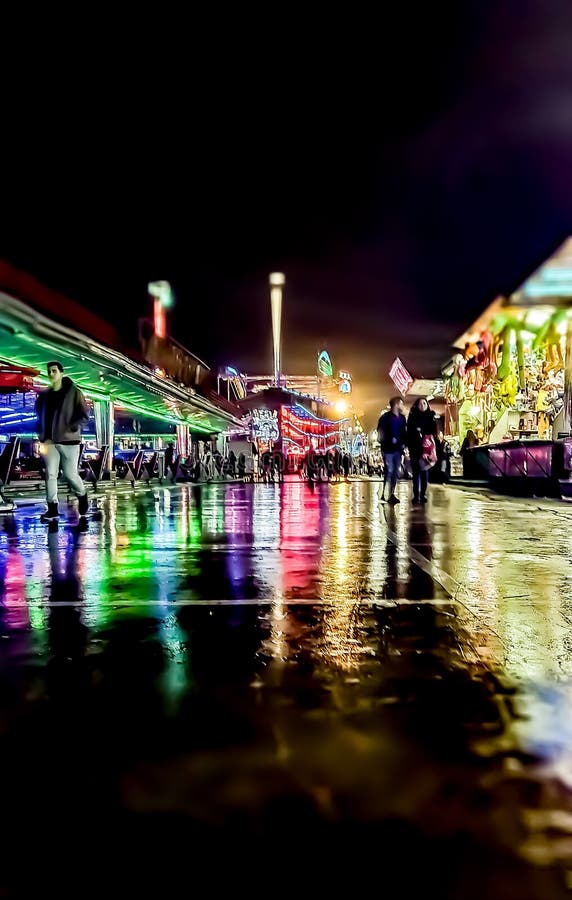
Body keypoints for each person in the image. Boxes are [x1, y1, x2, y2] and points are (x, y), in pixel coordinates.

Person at [35, 361, 89, 522]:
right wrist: (41, 431)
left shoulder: (74, 393)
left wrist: (72, 426)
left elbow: (83, 414)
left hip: (69, 440)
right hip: (49, 441)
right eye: (49, 371)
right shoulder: (45, 396)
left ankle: (82, 494)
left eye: (54, 371)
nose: (51, 374)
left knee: (70, 474)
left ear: (61, 372)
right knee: (50, 474)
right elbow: (39, 414)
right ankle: (52, 508)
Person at [377, 397, 407, 504]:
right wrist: (387, 440)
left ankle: (391, 494)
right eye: (401, 404)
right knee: (389, 470)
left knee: (395, 472)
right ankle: (384, 493)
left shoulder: (402, 418)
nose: (403, 406)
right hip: (388, 449)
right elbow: (380, 432)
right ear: (396, 404)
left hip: (398, 449)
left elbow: (404, 432)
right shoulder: (385, 418)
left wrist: (404, 444)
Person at [406, 398, 436, 504]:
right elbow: (408, 432)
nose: (423, 405)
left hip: (426, 450)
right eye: (420, 403)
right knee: (416, 473)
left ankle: (423, 494)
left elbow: (434, 432)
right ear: (416, 405)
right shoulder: (412, 416)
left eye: (424, 403)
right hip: (415, 449)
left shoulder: (431, 416)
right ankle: (416, 495)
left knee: (424, 472)